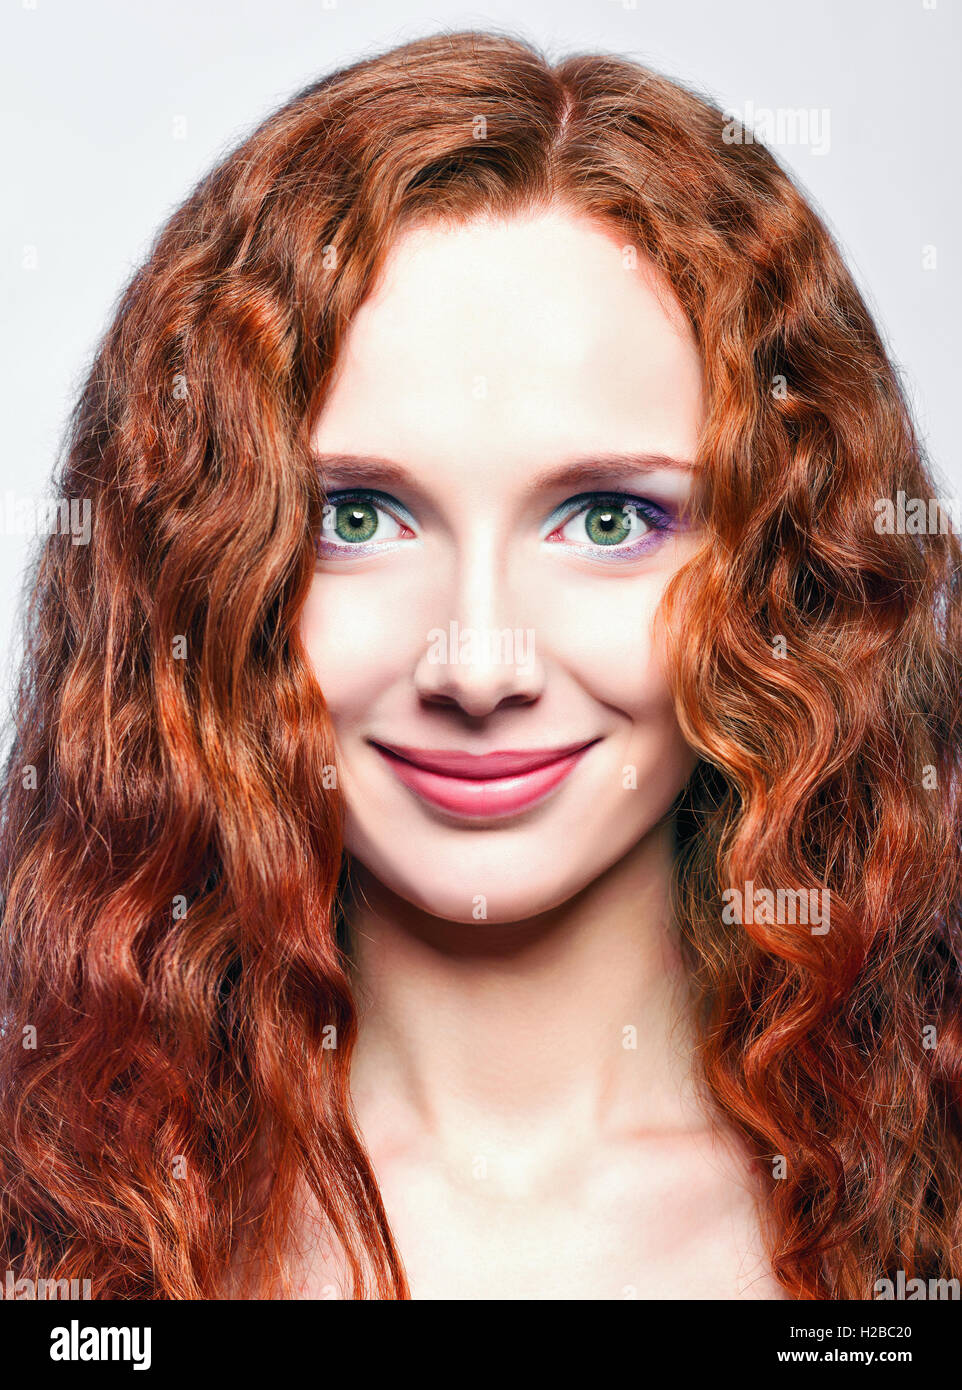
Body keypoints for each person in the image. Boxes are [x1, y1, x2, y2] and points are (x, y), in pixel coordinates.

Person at [2, 29, 960, 1301]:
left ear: (783, 573)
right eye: (355, 518)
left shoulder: (922, 1220)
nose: (476, 661)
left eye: (608, 519)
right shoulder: (49, 1221)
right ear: (199, 572)